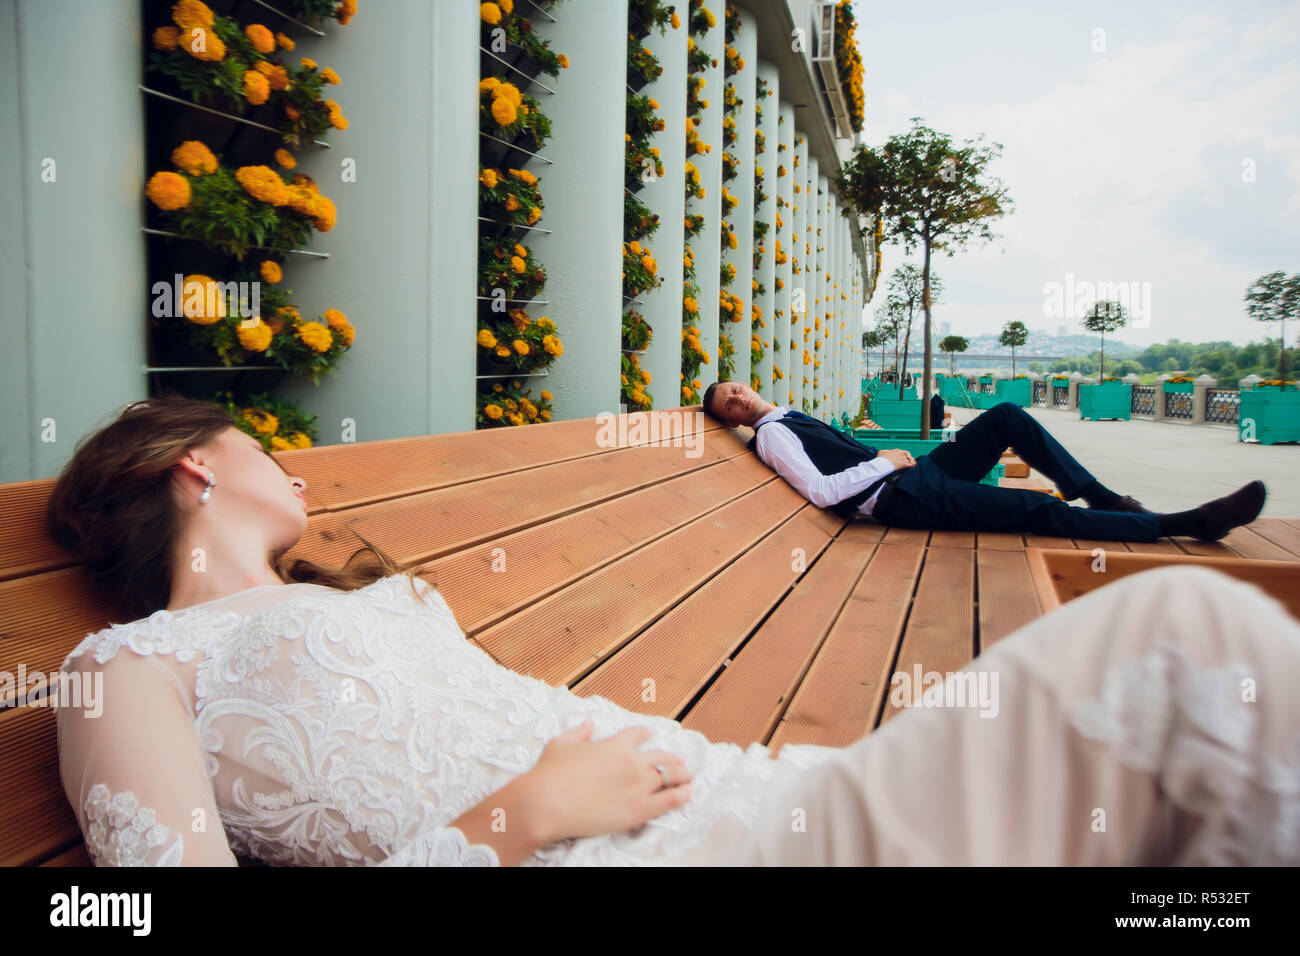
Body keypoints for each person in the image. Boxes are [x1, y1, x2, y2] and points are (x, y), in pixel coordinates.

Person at [48, 394, 1298, 866]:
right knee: (1184, 643)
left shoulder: (343, 594)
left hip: (734, 796)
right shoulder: (122, 671)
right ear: (196, 468)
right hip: (636, 851)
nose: (299, 470)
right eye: (265, 445)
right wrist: (515, 821)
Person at [701, 380, 1267, 542]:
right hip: (900, 496)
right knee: (1037, 512)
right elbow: (822, 491)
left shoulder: (787, 414)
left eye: (735, 389)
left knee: (1005, 417)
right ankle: (1187, 524)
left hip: (913, 476)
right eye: (729, 405)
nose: (738, 398)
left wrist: (895, 460)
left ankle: (1097, 493)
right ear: (732, 422)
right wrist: (888, 463)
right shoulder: (772, 437)